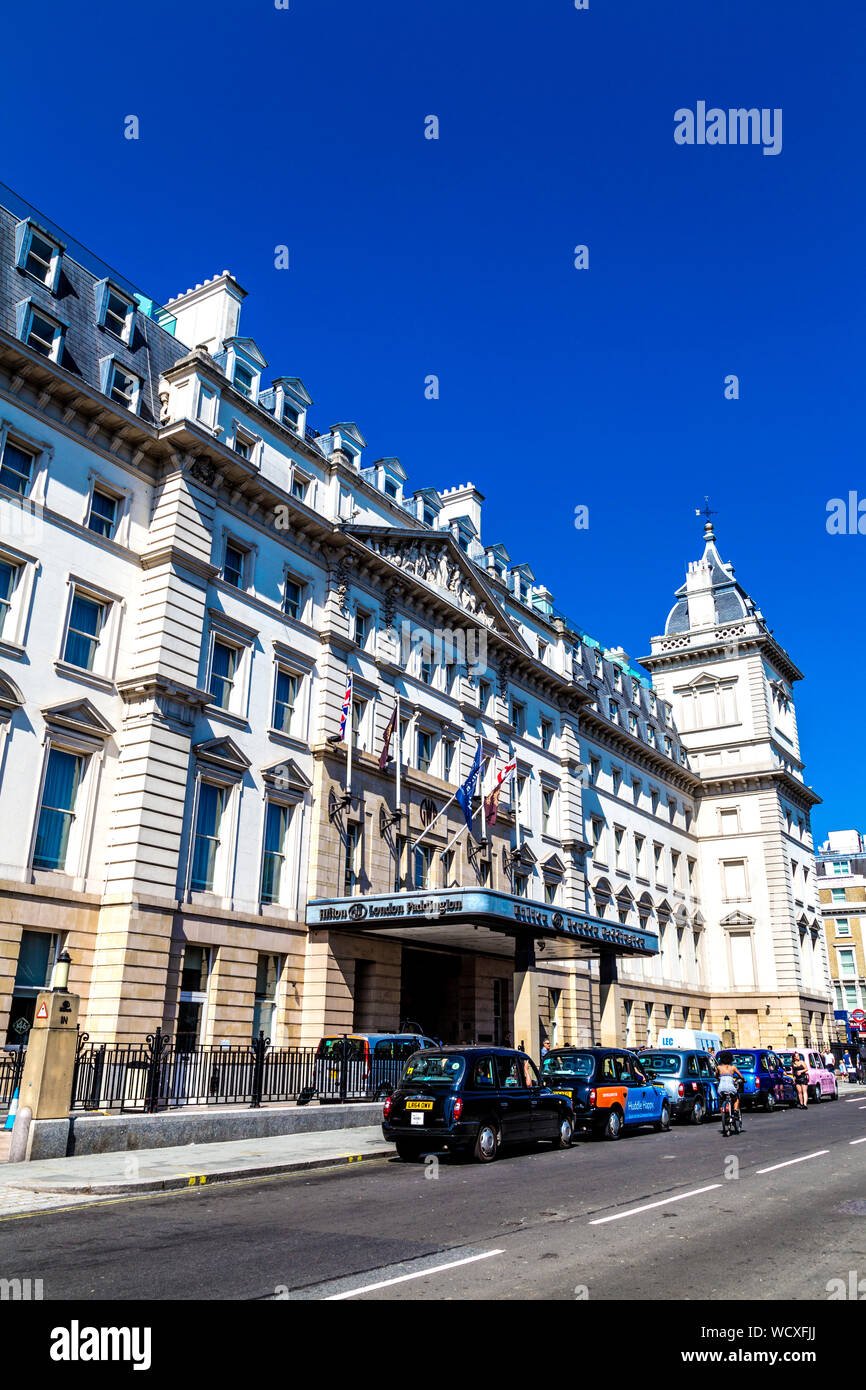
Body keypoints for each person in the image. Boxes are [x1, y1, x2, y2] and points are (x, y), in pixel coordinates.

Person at [716, 1050, 744, 1128]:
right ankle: (735, 1110)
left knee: (721, 1100)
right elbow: (741, 1076)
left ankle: (723, 1113)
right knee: (736, 1098)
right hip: (731, 1088)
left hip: (721, 1088)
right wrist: (744, 1080)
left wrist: (719, 1079)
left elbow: (716, 1075)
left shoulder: (719, 1067)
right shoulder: (733, 1068)